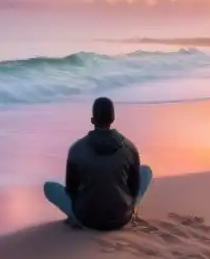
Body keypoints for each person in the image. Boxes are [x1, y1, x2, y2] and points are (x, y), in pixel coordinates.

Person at [44, 97, 153, 231]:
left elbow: (71, 190)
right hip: (121, 218)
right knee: (146, 171)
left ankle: (76, 217)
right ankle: (132, 210)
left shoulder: (76, 148)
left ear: (92, 120)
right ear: (113, 119)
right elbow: (134, 189)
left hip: (87, 219)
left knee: (48, 187)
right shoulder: (129, 148)